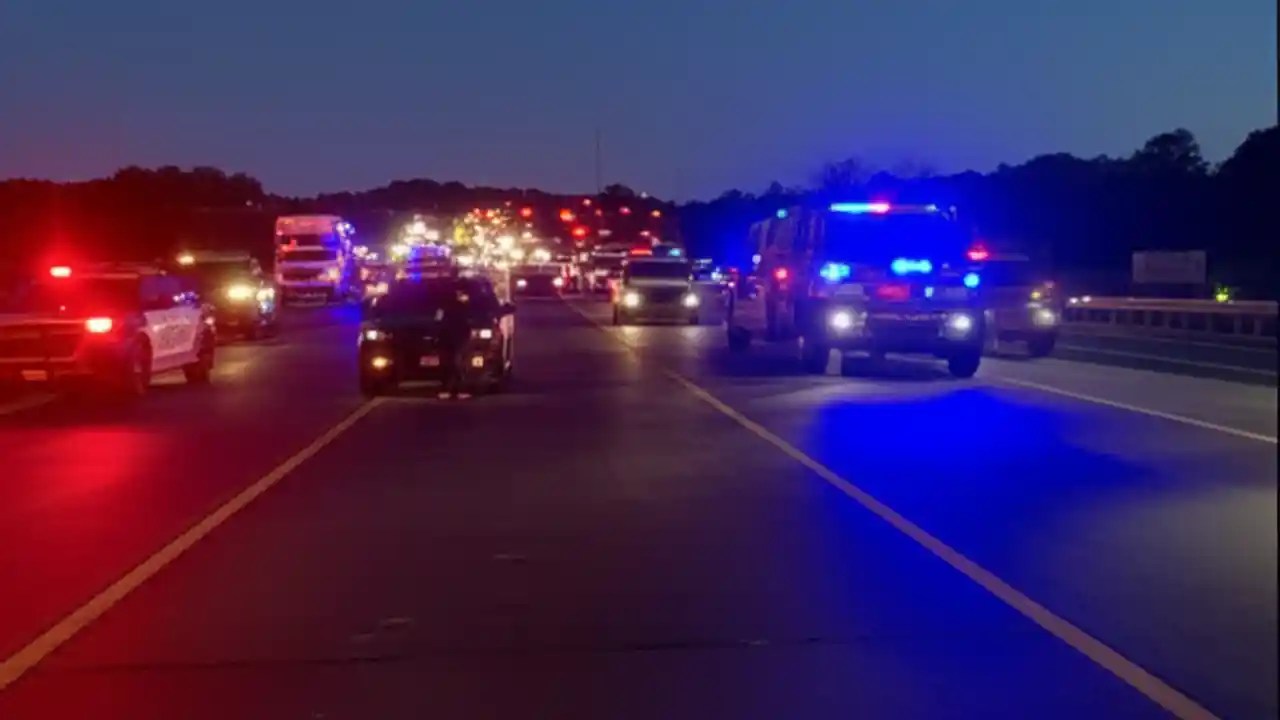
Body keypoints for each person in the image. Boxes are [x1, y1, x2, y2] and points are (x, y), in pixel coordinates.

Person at [436, 288, 473, 399]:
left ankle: (448, 389)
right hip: (456, 340)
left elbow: (438, 323)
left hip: (449, 340)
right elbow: (467, 324)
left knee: (450, 365)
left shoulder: (442, 309)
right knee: (457, 365)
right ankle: (457, 389)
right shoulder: (461, 307)